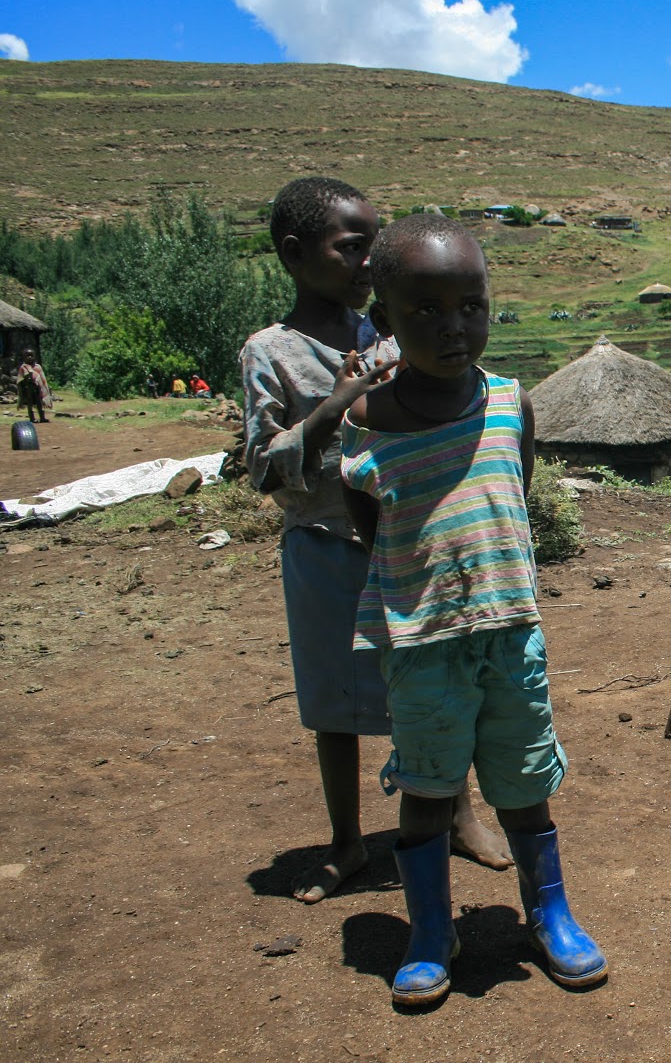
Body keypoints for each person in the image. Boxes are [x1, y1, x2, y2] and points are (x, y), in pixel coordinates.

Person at [342, 214, 606, 1005]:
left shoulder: (510, 403)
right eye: (425, 311)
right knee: (427, 791)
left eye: (471, 305)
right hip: (422, 643)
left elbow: (513, 494)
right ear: (383, 320)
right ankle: (430, 929)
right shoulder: (367, 424)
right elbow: (374, 528)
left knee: (525, 784)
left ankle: (548, 910)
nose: (454, 326)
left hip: (509, 634)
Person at [239, 177, 508, 907]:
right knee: (335, 700)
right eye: (353, 246)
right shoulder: (271, 352)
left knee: (437, 685)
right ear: (295, 254)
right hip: (324, 543)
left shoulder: (394, 335)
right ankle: (347, 840)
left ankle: (458, 814)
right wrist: (334, 406)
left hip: (410, 539)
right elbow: (262, 466)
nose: (369, 261)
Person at [16, 350, 51, 423]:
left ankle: (42, 417)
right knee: (30, 403)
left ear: (34, 357)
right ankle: (32, 418)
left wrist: (43, 386)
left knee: (39, 403)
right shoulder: (23, 367)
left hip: (38, 388)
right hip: (28, 388)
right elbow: (20, 379)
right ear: (24, 357)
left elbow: (42, 378)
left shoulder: (37, 367)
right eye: (27, 356)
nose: (29, 357)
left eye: (31, 355)